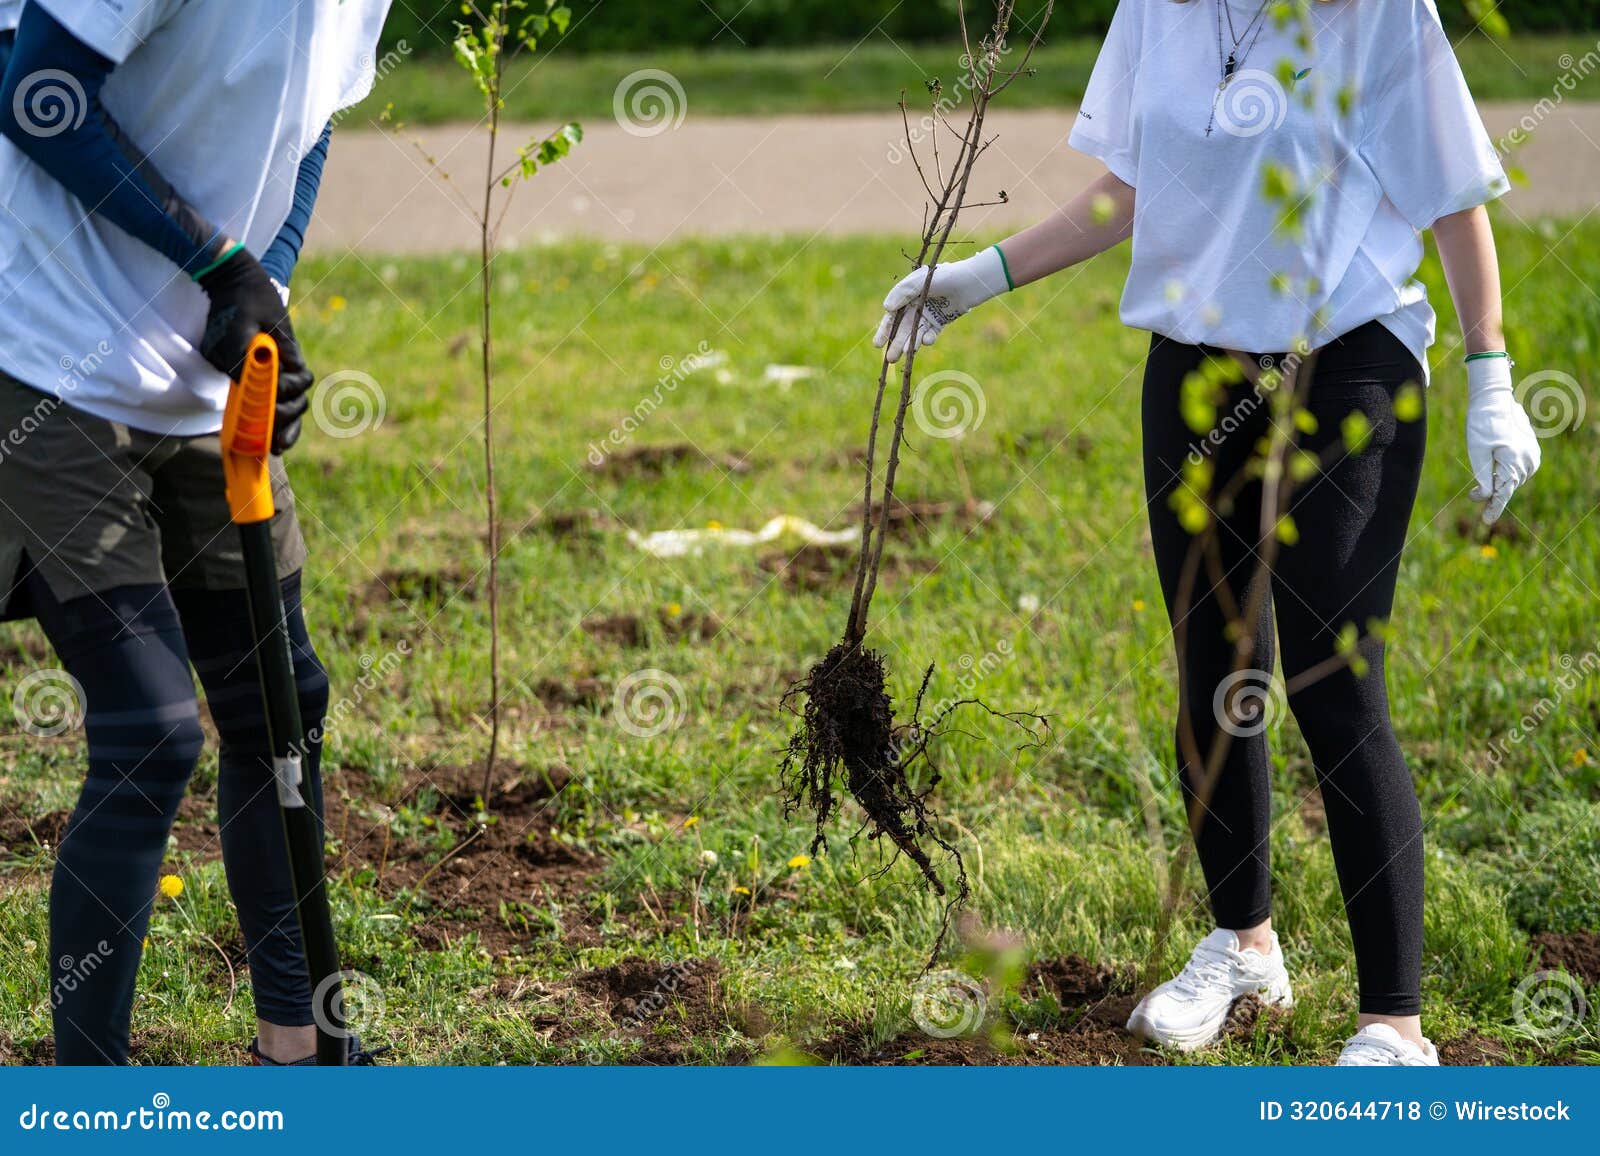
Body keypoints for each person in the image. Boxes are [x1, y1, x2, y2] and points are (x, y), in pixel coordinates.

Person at [873, 0, 1541, 1066]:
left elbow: (1454, 200)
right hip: (1194, 374)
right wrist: (978, 277)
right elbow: (1129, 192)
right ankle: (1243, 945)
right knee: (1213, 664)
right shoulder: (1159, 9)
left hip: (1344, 366)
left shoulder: (1375, 13)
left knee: (1333, 683)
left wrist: (1491, 371)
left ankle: (1393, 1024)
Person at [0, 0, 390, 1065]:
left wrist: (270, 285)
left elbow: (311, 124)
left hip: (199, 371)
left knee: (280, 704)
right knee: (150, 728)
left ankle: (297, 1054)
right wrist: (220, 263)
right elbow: (37, 95)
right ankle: (89, 1096)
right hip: (42, 347)